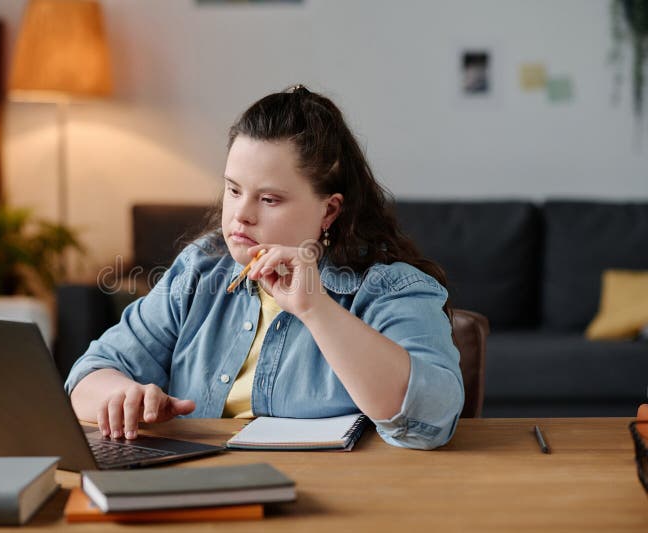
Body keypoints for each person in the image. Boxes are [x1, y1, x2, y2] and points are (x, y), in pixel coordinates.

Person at [65, 85, 463, 450]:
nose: (241, 215)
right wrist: (122, 397)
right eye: (234, 190)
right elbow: (87, 376)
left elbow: (432, 420)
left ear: (329, 210)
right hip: (204, 495)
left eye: (269, 199)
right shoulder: (201, 267)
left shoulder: (390, 286)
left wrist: (317, 309)